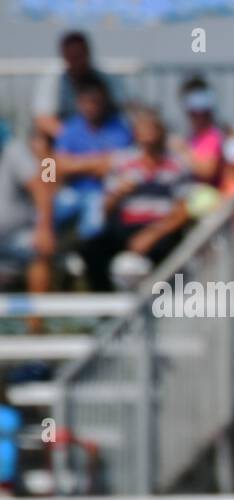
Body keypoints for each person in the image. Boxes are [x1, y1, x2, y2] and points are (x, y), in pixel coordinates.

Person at [79, 107, 193, 291]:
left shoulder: (177, 165)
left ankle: (167, 303)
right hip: (127, 226)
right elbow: (106, 209)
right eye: (143, 129)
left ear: (161, 131)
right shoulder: (122, 162)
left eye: (152, 128)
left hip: (161, 228)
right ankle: (106, 310)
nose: (148, 135)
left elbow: (183, 211)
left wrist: (152, 234)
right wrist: (117, 194)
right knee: (91, 250)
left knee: (173, 253)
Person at [51, 74, 133, 241]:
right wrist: (97, 163)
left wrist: (78, 163)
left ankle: (84, 257)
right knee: (47, 213)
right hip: (73, 190)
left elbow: (120, 162)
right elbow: (58, 165)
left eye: (94, 102)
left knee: (93, 226)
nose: (90, 107)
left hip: (104, 192)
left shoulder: (119, 127)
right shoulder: (71, 128)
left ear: (104, 102)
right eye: (85, 102)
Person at [0, 129, 57, 304]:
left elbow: (48, 189)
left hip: (26, 232)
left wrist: (47, 159)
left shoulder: (51, 162)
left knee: (40, 247)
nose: (37, 144)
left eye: (43, 140)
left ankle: (35, 323)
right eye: (36, 139)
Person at [32, 31, 124, 140]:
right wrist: (74, 138)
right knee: (38, 138)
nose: (76, 61)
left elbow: (125, 105)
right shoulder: (54, 77)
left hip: (107, 135)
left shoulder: (105, 76)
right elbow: (42, 118)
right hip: (67, 138)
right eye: (72, 56)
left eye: (79, 55)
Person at [177, 76, 226, 188]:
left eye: (201, 113)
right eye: (193, 113)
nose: (197, 117)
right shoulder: (192, 135)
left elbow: (207, 172)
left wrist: (182, 150)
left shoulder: (213, 136)